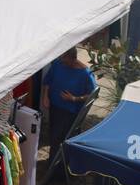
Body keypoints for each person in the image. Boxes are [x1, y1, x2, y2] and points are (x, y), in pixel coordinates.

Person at [42, 48, 98, 176]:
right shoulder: (58, 64)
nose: (62, 61)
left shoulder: (85, 74)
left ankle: (58, 172)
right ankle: (53, 165)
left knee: (62, 140)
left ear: (72, 58)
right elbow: (47, 81)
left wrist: (74, 98)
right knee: (53, 137)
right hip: (54, 108)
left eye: (64, 59)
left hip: (70, 112)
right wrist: (45, 97)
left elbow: (92, 95)